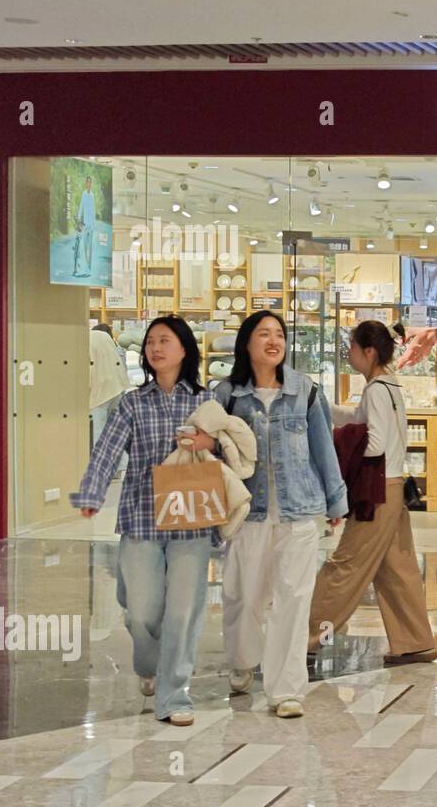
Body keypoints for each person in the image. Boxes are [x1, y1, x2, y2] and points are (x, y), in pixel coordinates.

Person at [71, 315, 216, 726]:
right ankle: (148, 662)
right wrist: (92, 491)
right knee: (141, 611)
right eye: (150, 341)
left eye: (165, 340)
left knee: (183, 611)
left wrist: (211, 441)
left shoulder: (206, 402)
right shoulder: (133, 403)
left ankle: (175, 695)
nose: (155, 348)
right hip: (141, 519)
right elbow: (107, 450)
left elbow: (229, 447)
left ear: (184, 349)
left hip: (192, 520)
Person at [214, 310, 348, 719]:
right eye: (263, 334)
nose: (273, 341)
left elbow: (323, 447)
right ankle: (242, 660)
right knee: (243, 595)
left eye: (279, 335)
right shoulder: (228, 395)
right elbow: (213, 455)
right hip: (246, 514)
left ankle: (286, 689)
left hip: (300, 511)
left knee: (294, 598)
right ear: (247, 343)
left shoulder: (304, 390)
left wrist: (335, 500)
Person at [310, 320, 437, 668]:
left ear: (369, 352)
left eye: (352, 346)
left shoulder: (377, 389)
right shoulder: (388, 386)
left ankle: (307, 637)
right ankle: (415, 643)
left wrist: (342, 451)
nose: (349, 353)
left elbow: (374, 442)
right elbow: (357, 417)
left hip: (377, 491)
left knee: (344, 566)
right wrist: (324, 408)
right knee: (398, 569)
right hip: (393, 488)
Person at [89, 323, 130, 449]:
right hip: (117, 388)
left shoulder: (87, 339)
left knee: (98, 430)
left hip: (99, 393)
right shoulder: (108, 341)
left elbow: (89, 368)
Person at [73, 175, 95, 278]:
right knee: (84, 247)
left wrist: (93, 224)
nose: (89, 184)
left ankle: (89, 269)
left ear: (91, 184)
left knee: (90, 248)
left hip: (91, 226)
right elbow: (81, 207)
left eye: (90, 182)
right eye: (87, 182)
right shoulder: (84, 194)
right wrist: (78, 218)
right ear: (86, 184)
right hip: (85, 225)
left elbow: (93, 211)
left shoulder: (92, 195)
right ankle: (84, 268)